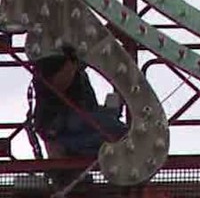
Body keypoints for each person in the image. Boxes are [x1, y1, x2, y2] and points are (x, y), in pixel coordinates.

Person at [30, 44, 127, 185]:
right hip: (63, 123)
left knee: (116, 133)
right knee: (119, 133)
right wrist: (73, 60)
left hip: (69, 125)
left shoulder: (73, 70)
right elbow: (56, 85)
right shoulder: (51, 61)